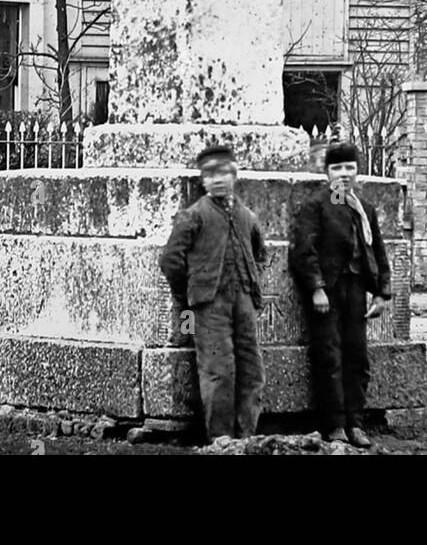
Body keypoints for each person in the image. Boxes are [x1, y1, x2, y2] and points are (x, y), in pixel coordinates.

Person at [158, 144, 268, 442]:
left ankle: (247, 437)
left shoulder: (247, 216)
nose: (218, 180)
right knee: (219, 370)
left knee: (252, 369)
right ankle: (221, 440)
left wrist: (252, 281)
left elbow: (260, 253)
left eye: (224, 174)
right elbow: (170, 260)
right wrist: (188, 295)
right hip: (207, 306)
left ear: (235, 175)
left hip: (243, 301)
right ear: (203, 181)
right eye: (211, 175)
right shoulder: (193, 216)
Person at [288, 140, 392, 447]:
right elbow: (303, 251)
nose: (344, 174)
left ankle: (356, 424)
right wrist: (317, 288)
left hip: (356, 291)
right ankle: (334, 425)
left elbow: (377, 252)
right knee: (329, 357)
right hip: (328, 295)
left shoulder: (365, 209)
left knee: (357, 357)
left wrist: (382, 293)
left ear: (357, 170)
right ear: (326, 172)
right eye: (337, 168)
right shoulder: (316, 206)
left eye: (349, 167)